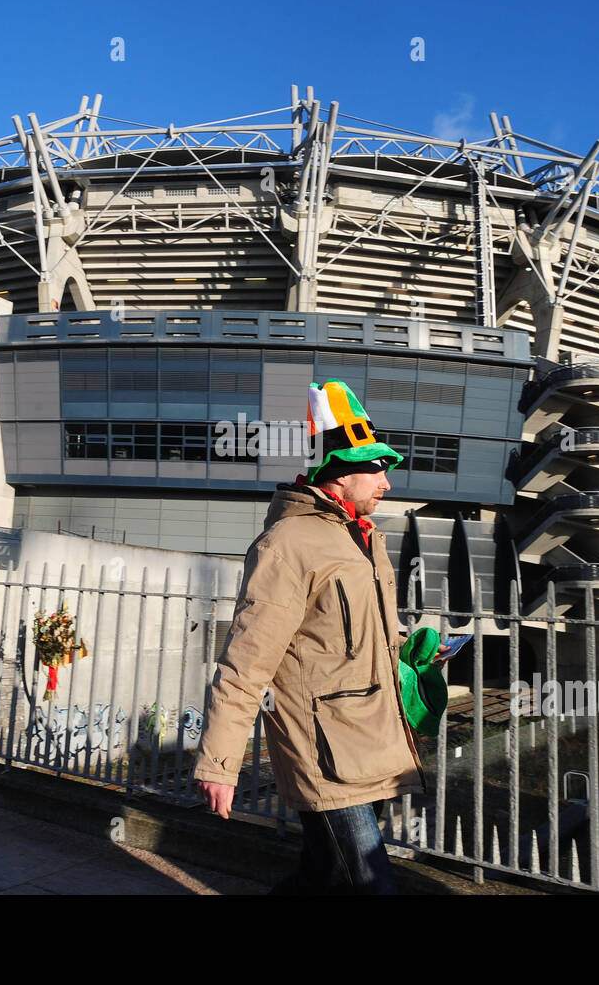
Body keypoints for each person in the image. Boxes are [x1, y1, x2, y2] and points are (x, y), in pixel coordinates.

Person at [193, 380, 430, 894]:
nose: (386, 484)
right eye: (376, 470)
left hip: (362, 735)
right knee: (369, 881)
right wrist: (219, 763)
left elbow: (347, 637)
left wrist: (407, 656)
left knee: (323, 872)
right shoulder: (288, 544)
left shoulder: (360, 538)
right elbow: (246, 661)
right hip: (321, 748)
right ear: (340, 475)